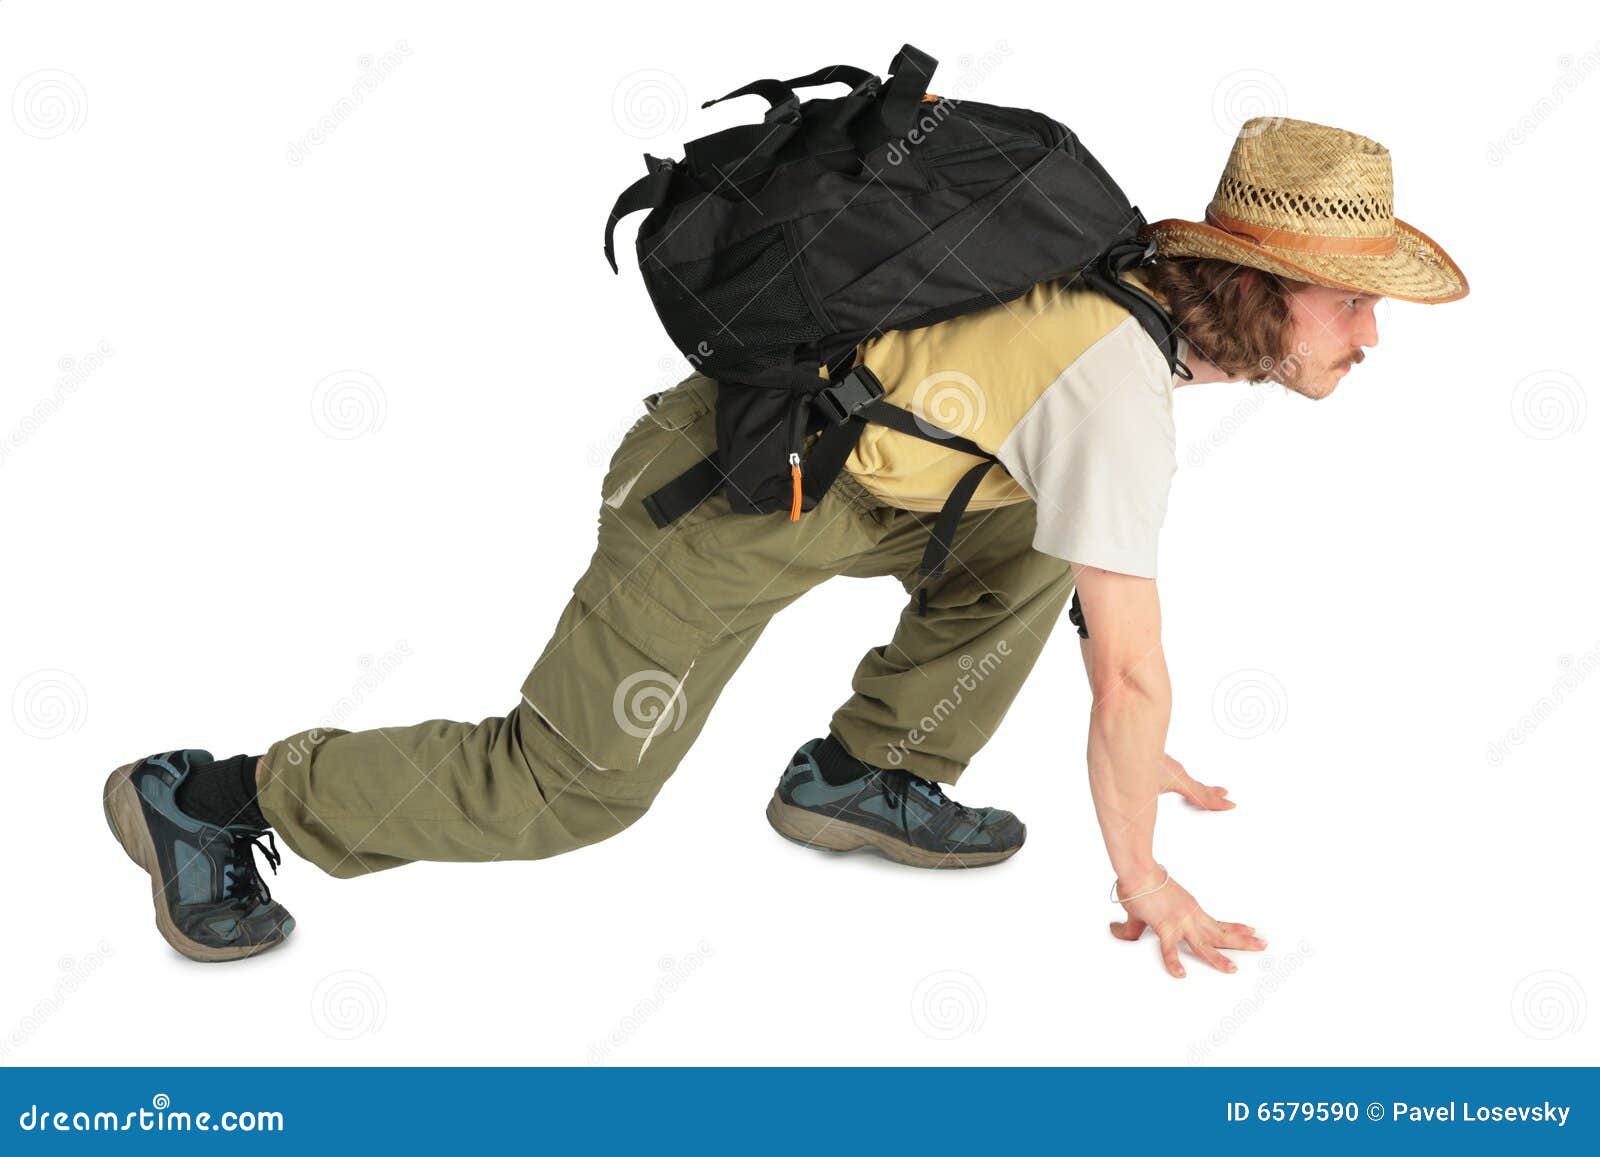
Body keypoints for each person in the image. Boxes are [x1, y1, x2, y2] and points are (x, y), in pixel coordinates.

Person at [103, 116, 1466, 973]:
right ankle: (223, 797)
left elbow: (1087, 584)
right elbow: (1130, 676)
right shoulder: (1121, 384)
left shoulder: (1125, 305)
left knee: (1039, 548)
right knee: (570, 790)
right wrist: (1144, 868)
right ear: (1256, 289)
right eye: (1351, 303)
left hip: (862, 484)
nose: (1371, 334)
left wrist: (1129, 728)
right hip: (727, 493)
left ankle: (869, 770)